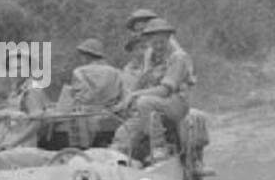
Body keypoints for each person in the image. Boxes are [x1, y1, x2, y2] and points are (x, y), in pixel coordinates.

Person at [111, 18, 194, 162]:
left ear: (169, 38)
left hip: (176, 103)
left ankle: (159, 147)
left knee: (144, 102)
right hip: (155, 103)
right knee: (123, 133)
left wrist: (135, 95)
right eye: (154, 42)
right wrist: (126, 100)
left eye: (162, 42)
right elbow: (143, 79)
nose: (158, 46)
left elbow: (165, 90)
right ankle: (120, 160)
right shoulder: (150, 55)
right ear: (148, 41)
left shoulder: (178, 57)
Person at [66, 38, 126, 110]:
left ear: (86, 56)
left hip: (86, 114)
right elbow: (123, 96)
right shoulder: (115, 72)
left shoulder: (79, 72)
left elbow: (76, 97)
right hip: (110, 113)